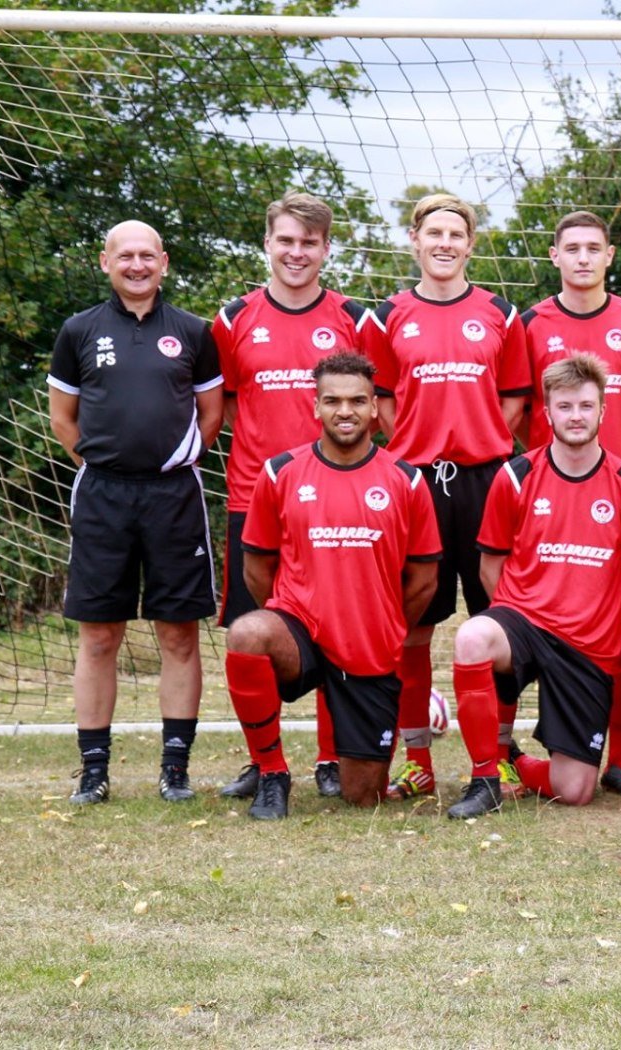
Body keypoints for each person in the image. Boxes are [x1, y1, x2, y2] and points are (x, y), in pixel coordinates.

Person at [47, 219, 224, 805]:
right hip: (103, 496)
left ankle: (175, 767)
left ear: (164, 262)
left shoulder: (194, 331)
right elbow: (63, 421)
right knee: (100, 636)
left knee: (179, 634)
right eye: (126, 255)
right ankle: (94, 769)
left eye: (148, 255)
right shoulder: (78, 331)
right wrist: (107, 466)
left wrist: (168, 463)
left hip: (174, 497)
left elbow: (211, 415)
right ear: (106, 262)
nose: (137, 265)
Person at [222, 353, 441, 819]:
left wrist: (385, 627)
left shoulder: (406, 480)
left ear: (375, 408)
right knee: (248, 633)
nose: (346, 411)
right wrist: (285, 618)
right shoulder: (281, 473)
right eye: (333, 400)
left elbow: (424, 579)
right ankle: (272, 771)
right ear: (315, 407)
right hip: (300, 630)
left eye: (358, 400)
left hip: (369, 647)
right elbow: (256, 567)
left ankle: (359, 745)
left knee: (363, 797)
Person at [366, 192, 531, 802]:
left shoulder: (499, 312)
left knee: (499, 622)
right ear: (414, 240)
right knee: (413, 628)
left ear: (469, 244)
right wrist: (416, 444)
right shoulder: (386, 315)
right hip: (416, 485)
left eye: (455, 234)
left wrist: (481, 442)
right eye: (432, 232)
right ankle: (417, 760)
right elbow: (382, 401)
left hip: (488, 481)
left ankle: (503, 754)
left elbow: (513, 400)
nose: (444, 243)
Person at [445, 354, 621, 819]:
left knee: (575, 789)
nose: (575, 416)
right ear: (548, 412)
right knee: (474, 636)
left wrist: (599, 616)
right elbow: (490, 566)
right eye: (565, 407)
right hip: (525, 621)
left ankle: (518, 763)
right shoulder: (515, 475)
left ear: (603, 411)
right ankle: (486, 777)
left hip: (587, 644)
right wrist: (516, 619)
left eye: (585, 406)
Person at [213, 191, 371, 803]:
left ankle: (332, 758)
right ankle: (265, 763)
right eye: (286, 240)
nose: (297, 252)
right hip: (253, 501)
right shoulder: (232, 319)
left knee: (337, 625)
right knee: (250, 630)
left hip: (337, 504)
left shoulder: (354, 317)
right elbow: (224, 406)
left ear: (326, 249)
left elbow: (369, 406)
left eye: (309, 242)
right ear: (268, 244)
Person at [518, 210, 621, 798]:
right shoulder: (527, 325)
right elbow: (517, 408)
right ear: (554, 256)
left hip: (619, 497)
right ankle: (509, 747)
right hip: (548, 501)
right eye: (570, 248)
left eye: (592, 248)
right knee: (532, 620)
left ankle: (619, 756)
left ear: (609, 255)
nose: (581, 257)